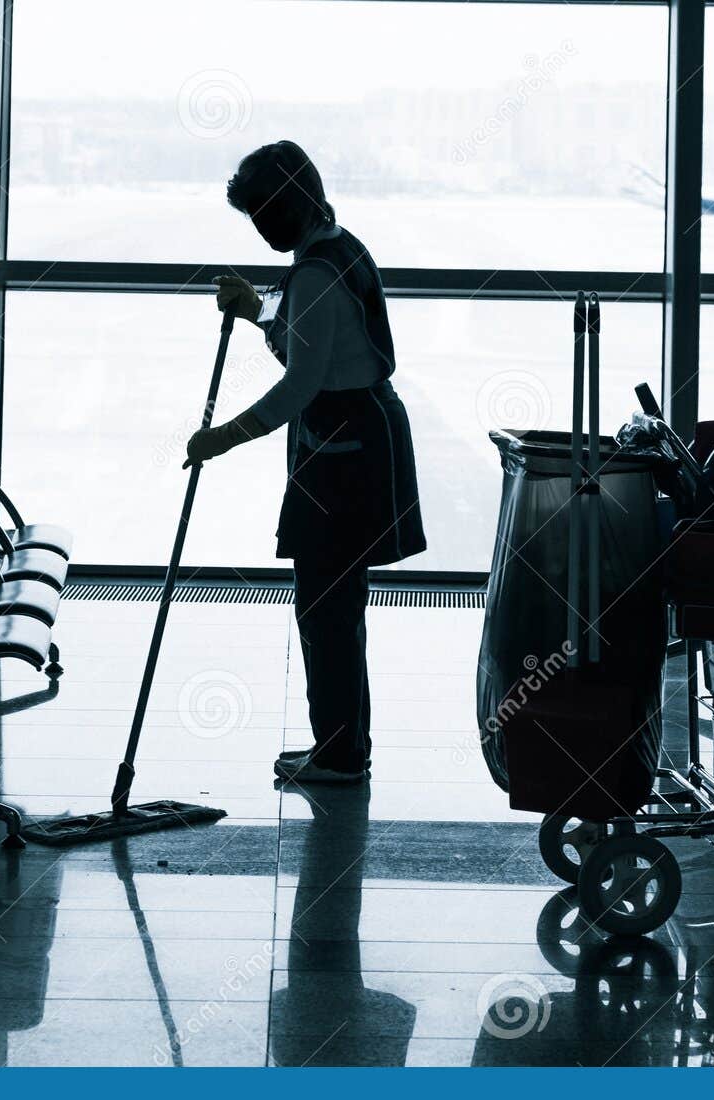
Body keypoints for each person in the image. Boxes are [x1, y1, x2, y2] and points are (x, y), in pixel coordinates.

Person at [184, 141, 425, 785]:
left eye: (264, 212)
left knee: (327, 607)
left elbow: (300, 385)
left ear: (290, 203)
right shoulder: (339, 248)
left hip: (345, 453)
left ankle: (342, 753)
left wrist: (223, 437)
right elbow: (313, 344)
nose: (261, 228)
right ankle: (341, 746)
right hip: (354, 436)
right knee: (334, 607)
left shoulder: (315, 272)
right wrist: (260, 310)